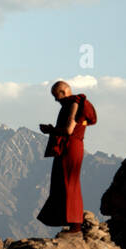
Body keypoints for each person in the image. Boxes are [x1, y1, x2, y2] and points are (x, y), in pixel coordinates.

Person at [36, 80, 87, 237]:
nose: (56, 100)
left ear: (63, 92)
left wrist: (51, 130)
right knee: (62, 182)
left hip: (71, 148)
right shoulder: (71, 104)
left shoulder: (74, 104)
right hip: (69, 148)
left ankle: (75, 224)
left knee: (69, 182)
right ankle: (71, 220)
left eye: (56, 96)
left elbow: (69, 130)